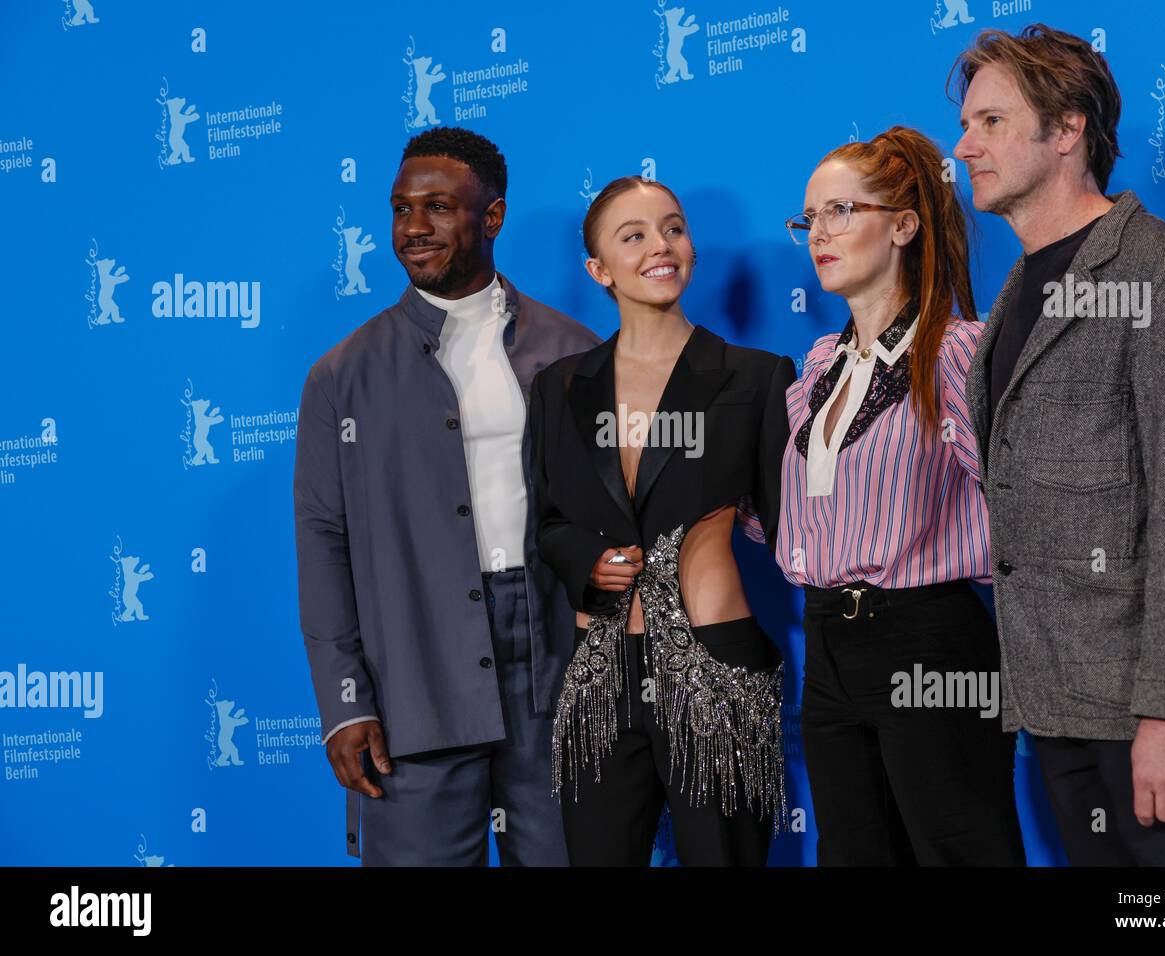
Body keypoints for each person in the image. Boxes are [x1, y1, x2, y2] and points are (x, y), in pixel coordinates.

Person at [950, 24, 1165, 865]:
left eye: (991, 123)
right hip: (1056, 712)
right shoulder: (1015, 293)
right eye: (966, 123)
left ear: (1068, 128)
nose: (964, 144)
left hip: (1151, 715)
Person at [293, 127, 600, 865]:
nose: (413, 230)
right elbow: (322, 542)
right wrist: (345, 705)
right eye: (400, 210)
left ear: (491, 218)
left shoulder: (576, 352)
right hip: (413, 671)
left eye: (437, 208)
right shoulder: (342, 375)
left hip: (554, 661)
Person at [529, 175, 797, 865]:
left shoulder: (756, 377)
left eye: (674, 228)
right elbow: (547, 524)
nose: (662, 246)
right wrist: (584, 563)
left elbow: (793, 527)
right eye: (635, 235)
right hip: (597, 676)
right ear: (599, 270)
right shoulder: (558, 388)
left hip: (715, 665)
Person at [777, 127, 1026, 866]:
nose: (819, 233)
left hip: (928, 635)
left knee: (959, 847)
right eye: (809, 219)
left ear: (904, 225)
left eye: (840, 212)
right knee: (853, 854)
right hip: (826, 643)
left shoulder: (957, 350)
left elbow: (1024, 502)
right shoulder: (820, 365)